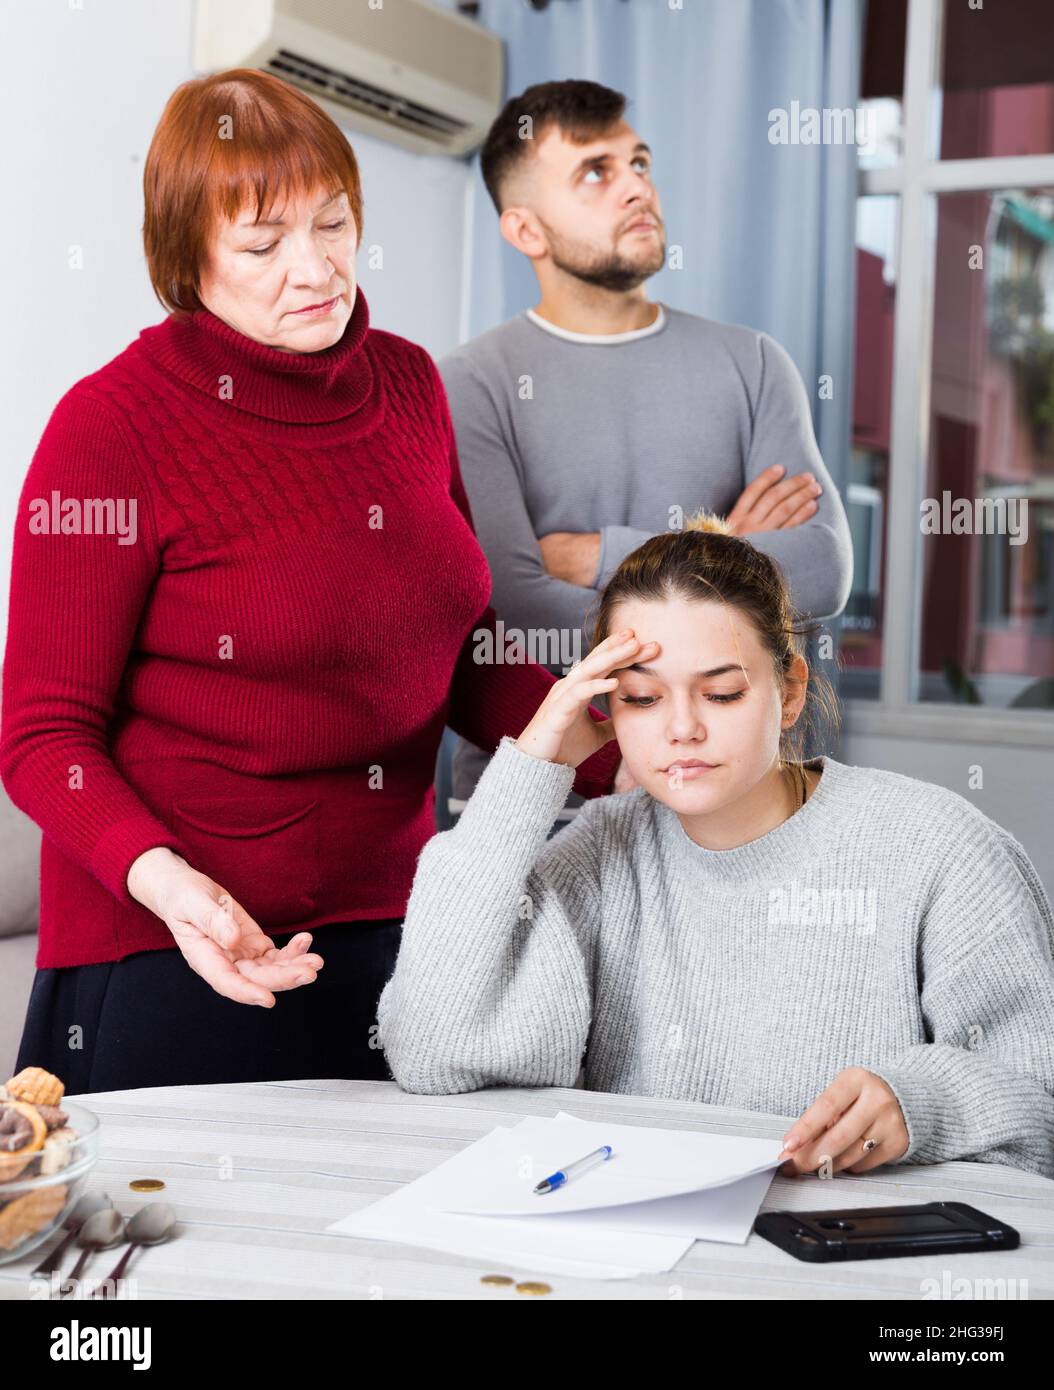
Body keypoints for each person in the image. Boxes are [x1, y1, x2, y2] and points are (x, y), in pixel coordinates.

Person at [0, 68, 620, 1094]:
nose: (314, 269)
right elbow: (40, 735)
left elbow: (461, 650)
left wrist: (625, 749)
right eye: (261, 244)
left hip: (401, 923)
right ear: (185, 258)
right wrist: (170, 886)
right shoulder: (111, 429)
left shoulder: (410, 385)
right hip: (175, 935)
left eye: (332, 225)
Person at [378, 513, 1054, 1178]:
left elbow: (1040, 1109)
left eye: (722, 693)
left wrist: (924, 1105)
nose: (681, 729)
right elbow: (434, 1052)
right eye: (642, 698)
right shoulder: (598, 852)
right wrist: (529, 768)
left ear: (790, 692)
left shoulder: (943, 851)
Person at [439, 79, 854, 810]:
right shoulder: (468, 384)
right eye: (596, 172)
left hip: (730, 803)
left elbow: (822, 570)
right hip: (542, 807)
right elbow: (514, 617)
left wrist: (596, 554)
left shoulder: (753, 361)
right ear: (526, 230)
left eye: (639, 162)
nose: (636, 188)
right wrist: (730, 560)